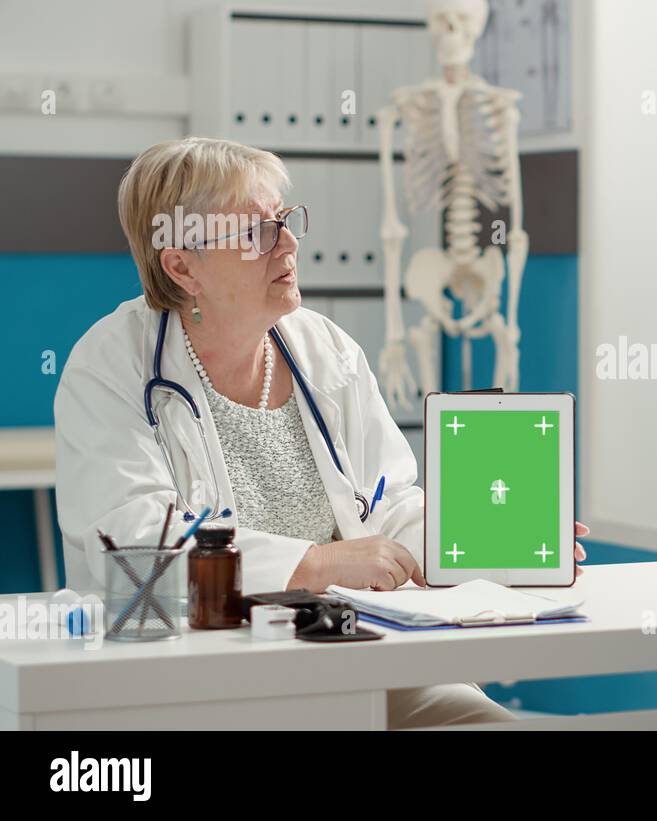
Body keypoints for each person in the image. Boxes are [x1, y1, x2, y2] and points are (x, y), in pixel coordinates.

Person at [53, 136, 588, 727]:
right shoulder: (111, 364)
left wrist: (487, 539)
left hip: (349, 656)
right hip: (197, 680)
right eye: (256, 232)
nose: (288, 244)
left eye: (284, 221)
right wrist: (313, 564)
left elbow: (388, 502)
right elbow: (135, 545)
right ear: (181, 265)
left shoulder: (325, 349)